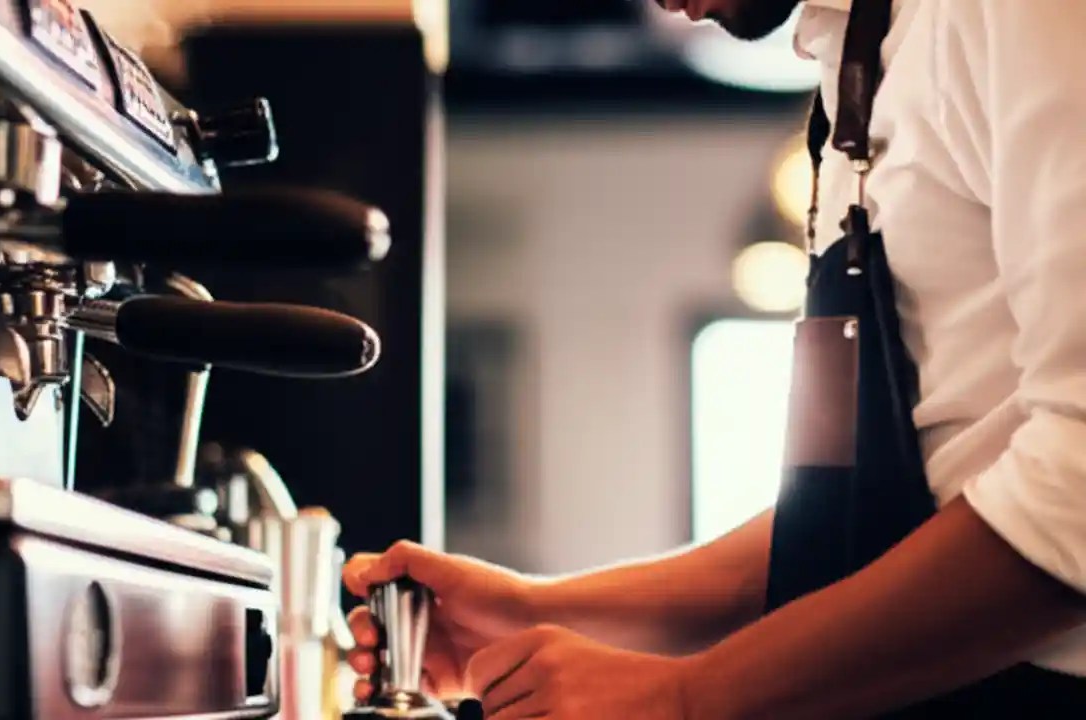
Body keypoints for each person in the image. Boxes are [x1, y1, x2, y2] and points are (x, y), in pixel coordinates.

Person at [344, 0, 1086, 717]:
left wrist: (686, 697)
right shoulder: (858, 57)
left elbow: (1076, 485)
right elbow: (853, 519)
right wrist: (532, 611)